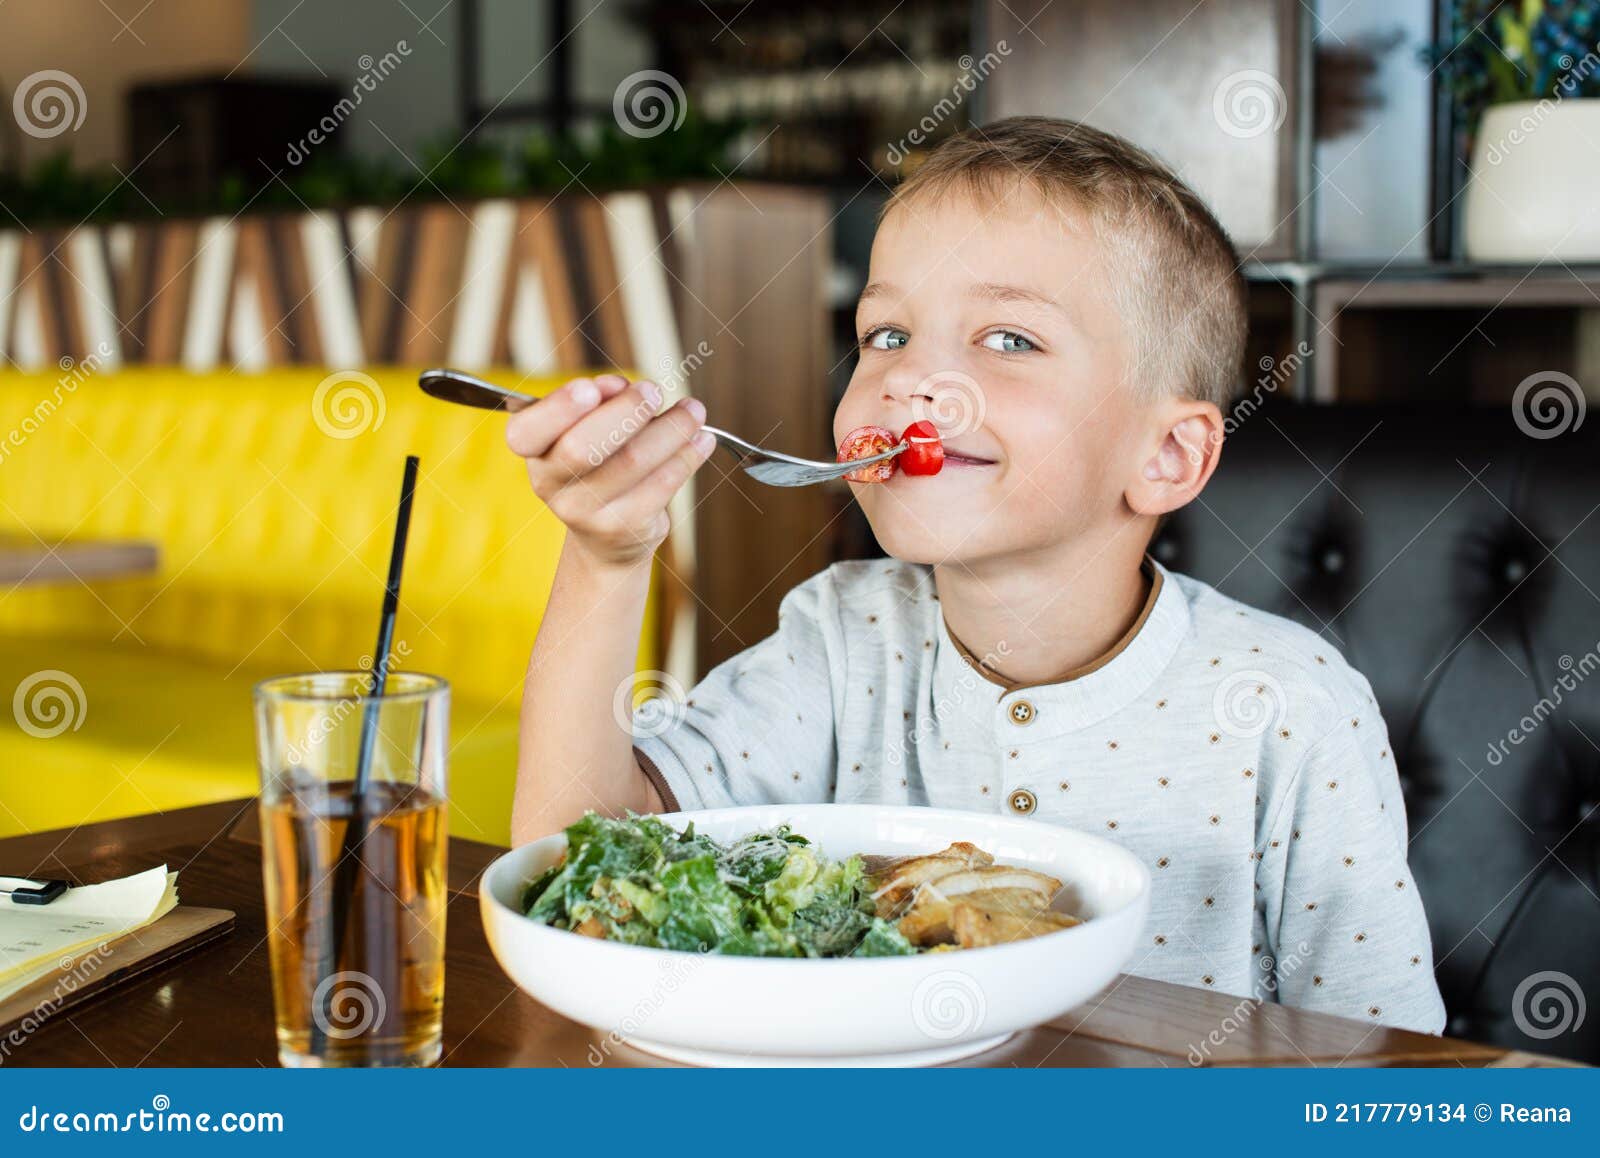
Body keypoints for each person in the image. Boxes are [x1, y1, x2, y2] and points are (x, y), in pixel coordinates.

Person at [503, 116, 1446, 1032]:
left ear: (1165, 455)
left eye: (1008, 340)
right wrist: (608, 556)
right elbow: (575, 868)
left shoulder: (1288, 708)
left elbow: (1389, 1070)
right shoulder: (841, 639)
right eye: (886, 334)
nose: (912, 381)